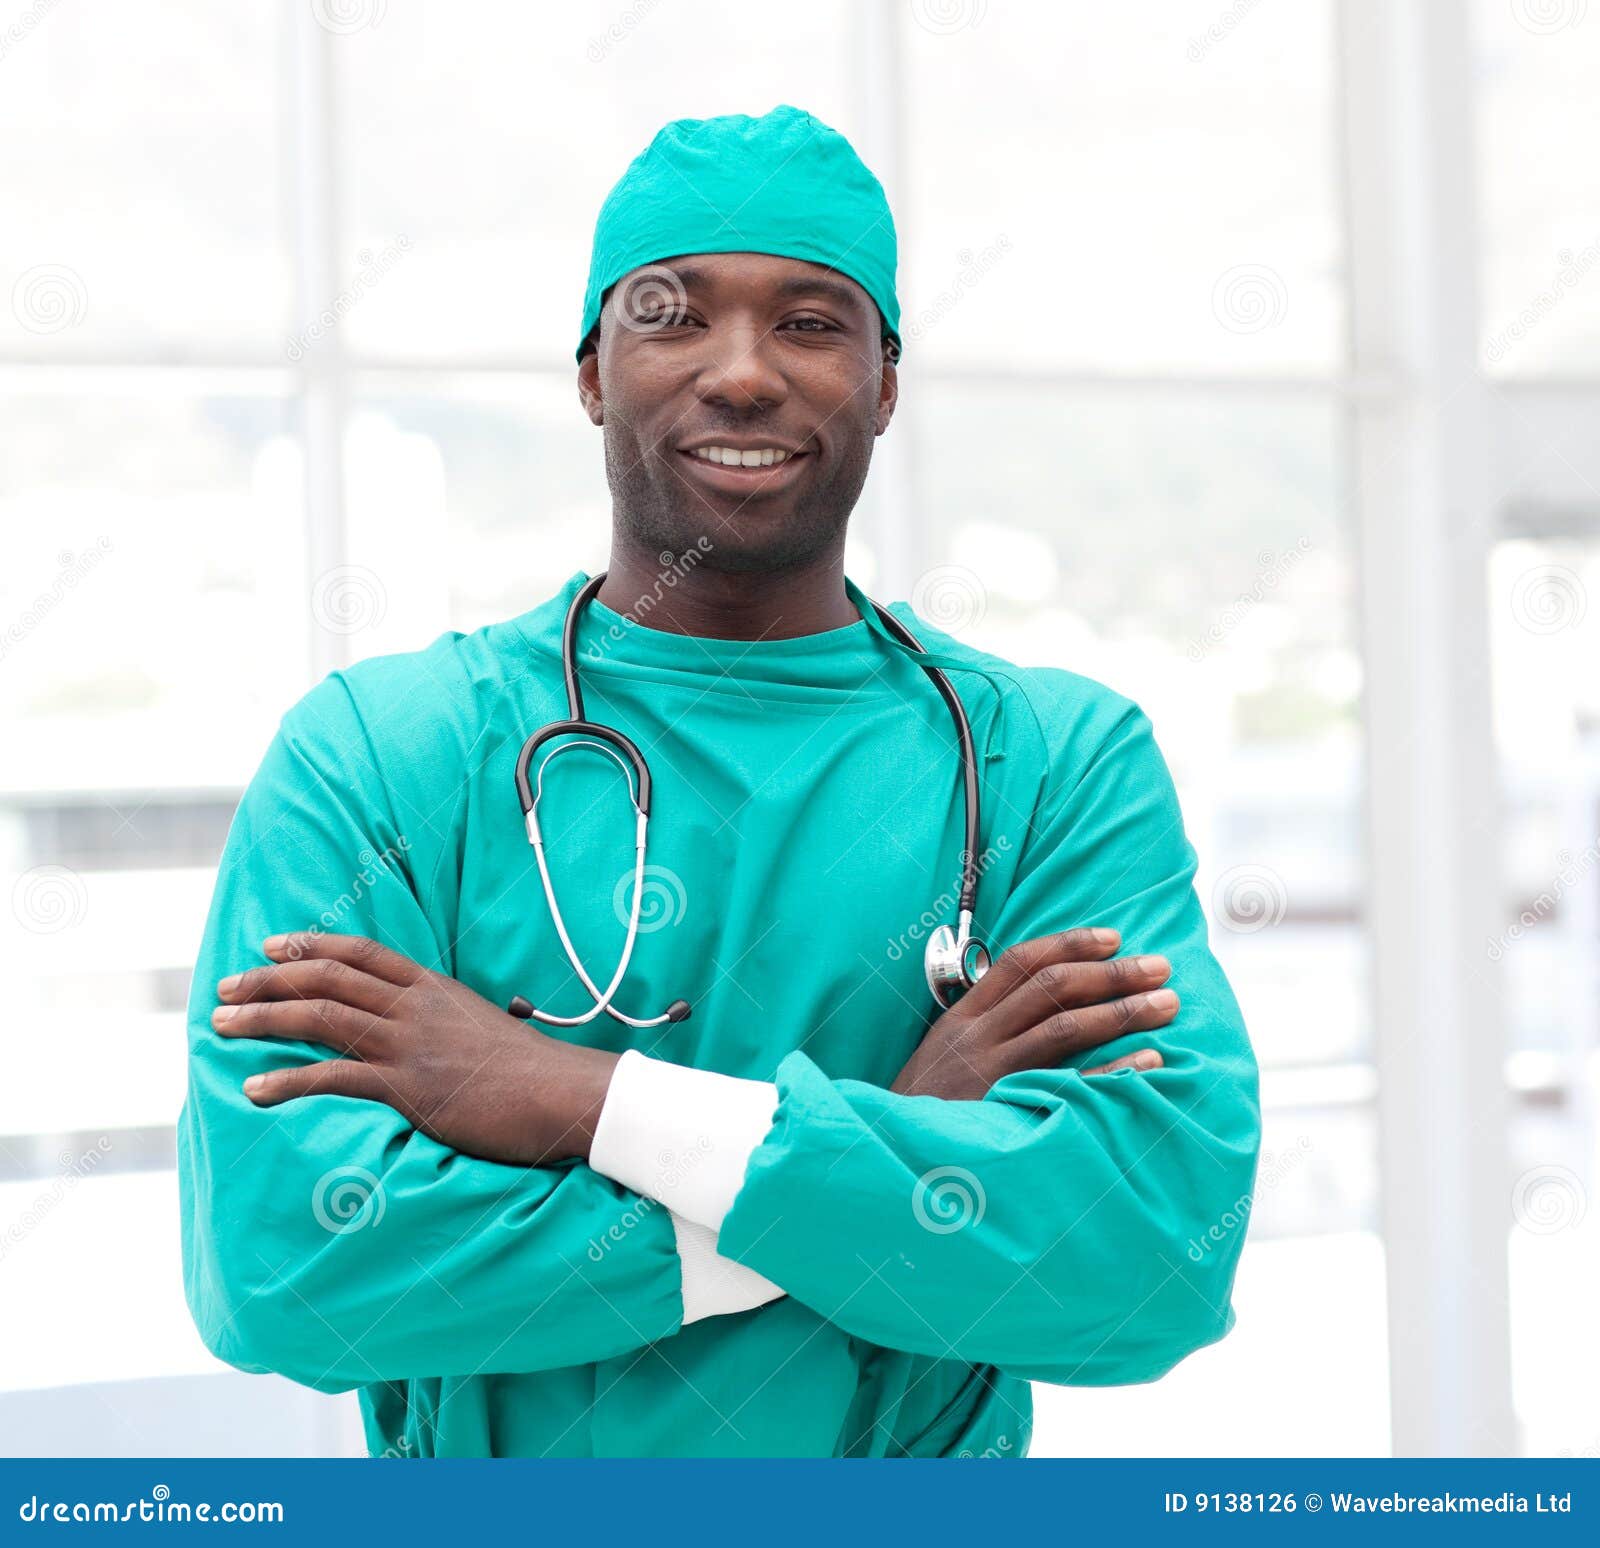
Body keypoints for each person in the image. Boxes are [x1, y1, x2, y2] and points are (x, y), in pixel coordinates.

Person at [177, 104, 1261, 1459]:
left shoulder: (1051, 763)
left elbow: (1144, 1264)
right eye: (671, 315)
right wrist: (897, 1149)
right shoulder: (386, 755)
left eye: (810, 323)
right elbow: (290, 1277)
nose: (742, 374)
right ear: (591, 372)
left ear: (885, 383)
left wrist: (577, 1100)